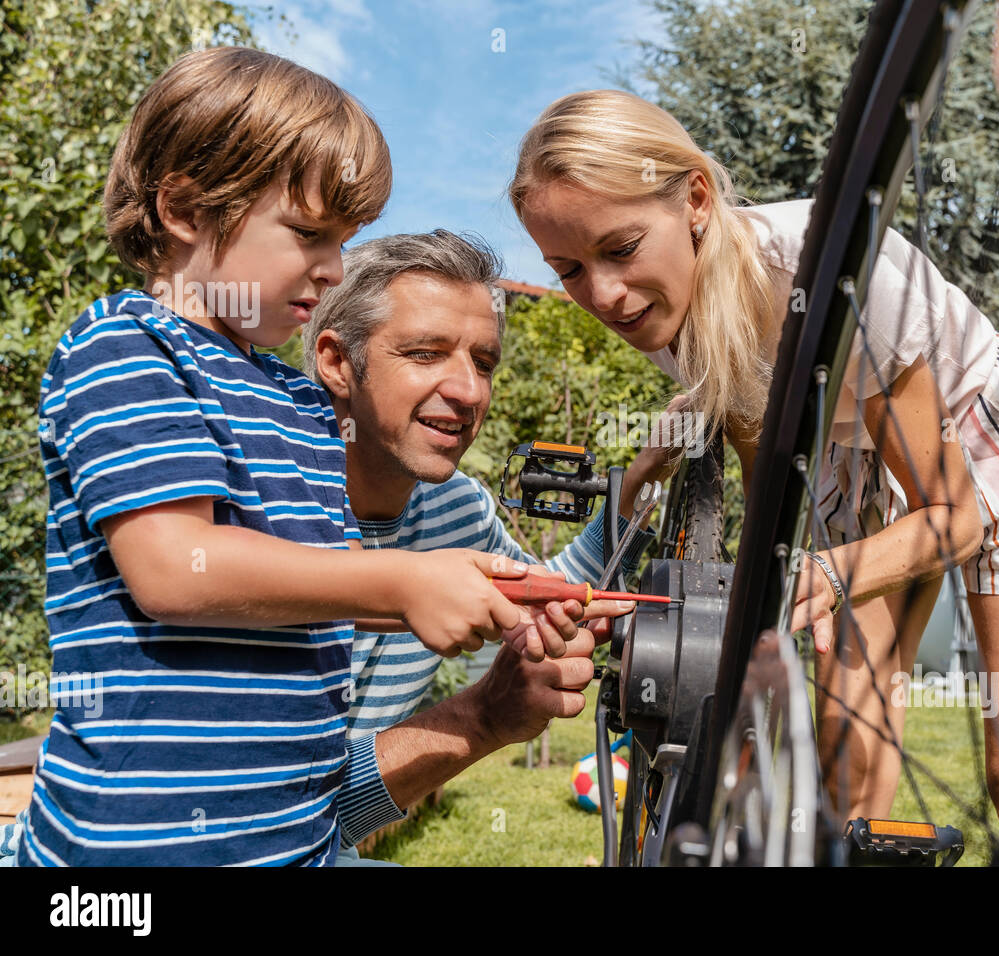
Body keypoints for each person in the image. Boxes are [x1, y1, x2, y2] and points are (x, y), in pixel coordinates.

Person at [15, 48, 585, 867]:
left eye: (344, 240)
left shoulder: (294, 403)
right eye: (310, 234)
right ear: (183, 209)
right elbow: (177, 570)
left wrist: (502, 597)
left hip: (296, 843)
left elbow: (314, 584)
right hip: (138, 853)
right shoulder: (128, 347)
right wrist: (405, 583)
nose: (334, 267)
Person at [508, 89, 999, 865]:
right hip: (844, 452)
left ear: (694, 198)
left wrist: (825, 572)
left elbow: (953, 516)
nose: (603, 296)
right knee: (846, 763)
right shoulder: (666, 313)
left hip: (983, 436)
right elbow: (769, 492)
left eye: (620, 249)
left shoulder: (834, 274)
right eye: (569, 270)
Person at [300, 230, 663, 862]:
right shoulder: (259, 504)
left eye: (484, 363)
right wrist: (484, 716)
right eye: (424, 352)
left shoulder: (455, 506)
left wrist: (632, 494)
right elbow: (276, 813)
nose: (470, 392)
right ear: (337, 362)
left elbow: (543, 588)